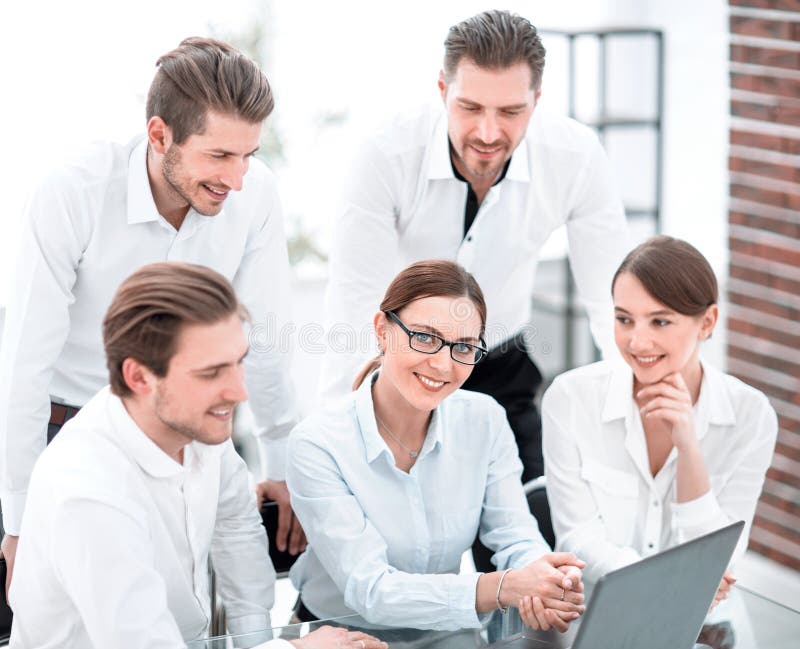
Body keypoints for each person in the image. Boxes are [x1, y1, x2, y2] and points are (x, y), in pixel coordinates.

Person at [0, 37, 304, 592]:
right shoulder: (73, 193)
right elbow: (23, 362)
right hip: (55, 431)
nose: (236, 180)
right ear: (160, 134)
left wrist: (281, 464)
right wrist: (19, 521)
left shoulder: (254, 197)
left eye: (248, 156)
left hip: (176, 437)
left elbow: (266, 338)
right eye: (218, 156)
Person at [320, 9, 630, 485]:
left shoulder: (576, 157)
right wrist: (338, 448)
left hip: (502, 367)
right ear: (443, 91)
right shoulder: (386, 155)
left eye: (510, 112)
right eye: (470, 108)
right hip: (403, 371)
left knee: (539, 537)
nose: (488, 133)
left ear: (537, 99)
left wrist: (630, 418)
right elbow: (352, 306)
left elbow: (612, 304)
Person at [8, 262, 385, 649]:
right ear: (139, 377)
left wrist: (256, 641)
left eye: (239, 362)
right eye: (211, 373)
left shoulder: (194, 423)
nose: (239, 392)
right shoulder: (89, 491)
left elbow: (237, 526)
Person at [287, 260, 586, 644]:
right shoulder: (318, 443)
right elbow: (371, 591)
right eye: (424, 337)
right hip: (338, 636)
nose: (443, 364)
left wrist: (545, 578)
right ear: (382, 329)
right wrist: (503, 587)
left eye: (463, 347)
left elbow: (515, 535)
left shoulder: (485, 420)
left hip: (445, 631)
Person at [542, 236, 778, 607]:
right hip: (591, 613)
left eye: (660, 321)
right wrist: (669, 584)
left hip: (694, 624)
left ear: (707, 322)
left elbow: (723, 560)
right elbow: (577, 537)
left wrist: (689, 447)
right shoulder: (570, 399)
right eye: (624, 319)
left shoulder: (751, 417)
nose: (637, 342)